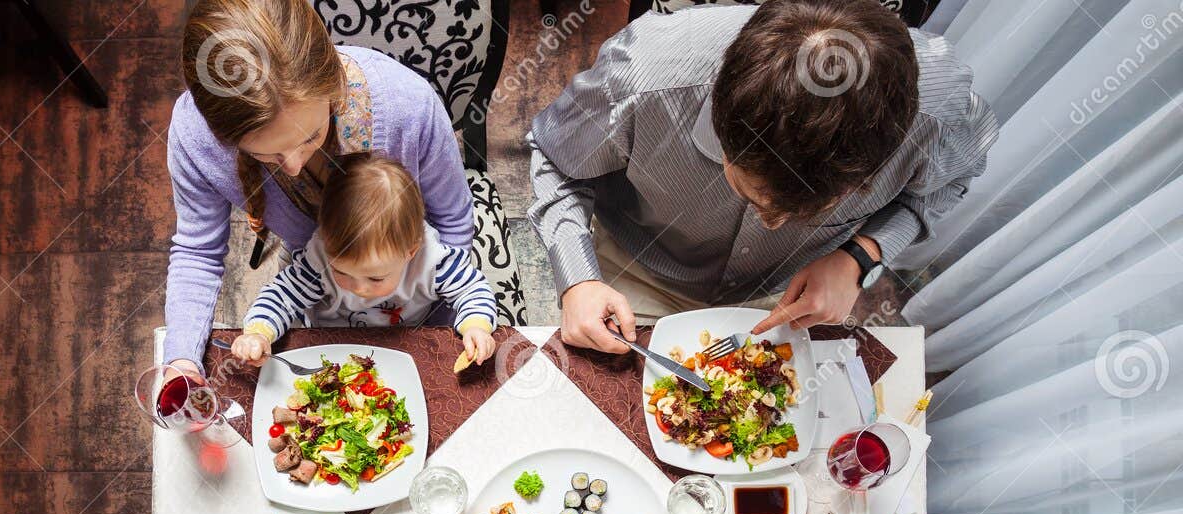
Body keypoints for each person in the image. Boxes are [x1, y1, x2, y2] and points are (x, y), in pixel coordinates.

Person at [528, 0, 997, 352]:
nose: (772, 223)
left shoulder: (941, 115)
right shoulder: (643, 76)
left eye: (810, 211)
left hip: (789, 294)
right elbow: (556, 160)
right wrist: (578, 280)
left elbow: (948, 185)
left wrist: (861, 255)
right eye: (748, 191)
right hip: (636, 270)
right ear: (722, 119)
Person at [166, 0, 475, 376]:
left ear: (333, 86)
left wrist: (430, 340)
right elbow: (197, 254)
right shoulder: (195, 139)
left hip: (416, 298)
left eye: (311, 136)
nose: (294, 167)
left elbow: (453, 222)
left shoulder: (409, 106)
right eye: (266, 154)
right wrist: (181, 361)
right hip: (316, 292)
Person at [231, 152, 497, 370]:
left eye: (376, 278)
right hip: (332, 348)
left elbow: (472, 289)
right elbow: (282, 296)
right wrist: (258, 332)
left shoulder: (431, 260)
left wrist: (476, 325)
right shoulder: (321, 257)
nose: (359, 288)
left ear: (411, 252)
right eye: (341, 272)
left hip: (404, 345)